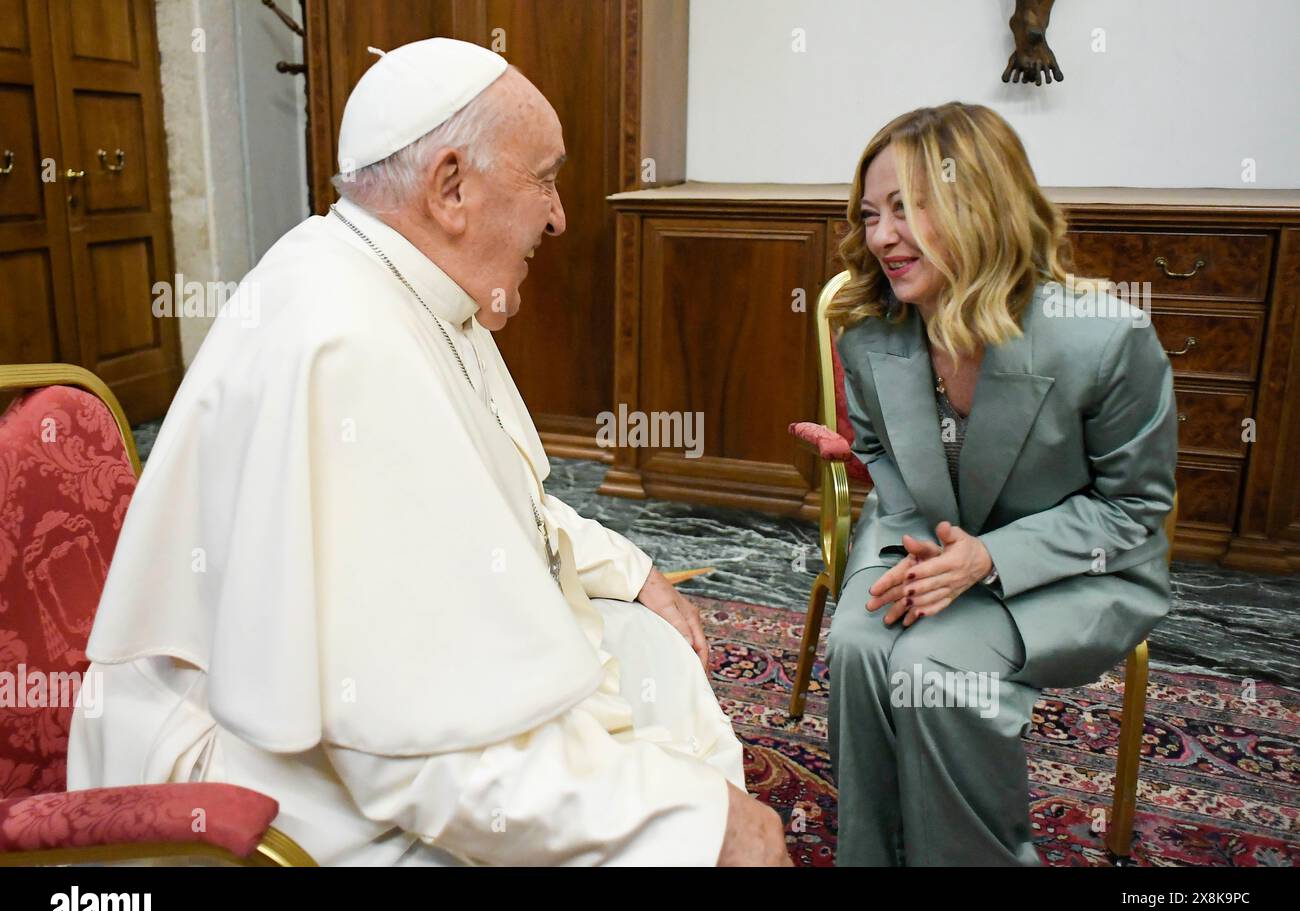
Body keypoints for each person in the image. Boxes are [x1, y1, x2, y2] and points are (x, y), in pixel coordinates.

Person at [68, 38, 789, 867]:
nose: (559, 216)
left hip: (347, 722)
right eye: (545, 177)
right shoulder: (345, 341)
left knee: (651, 654)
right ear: (451, 187)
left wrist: (630, 570)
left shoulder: (405, 282)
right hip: (243, 768)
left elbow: (485, 493)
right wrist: (691, 830)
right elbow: (422, 755)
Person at [824, 102, 1177, 866]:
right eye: (871, 215)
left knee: (934, 670)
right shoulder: (870, 333)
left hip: (1076, 570)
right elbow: (880, 451)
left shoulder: (1107, 339)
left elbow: (1135, 511)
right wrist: (916, 543)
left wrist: (986, 559)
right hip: (923, 537)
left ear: (980, 203)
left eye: (908, 209)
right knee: (855, 645)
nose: (882, 237)